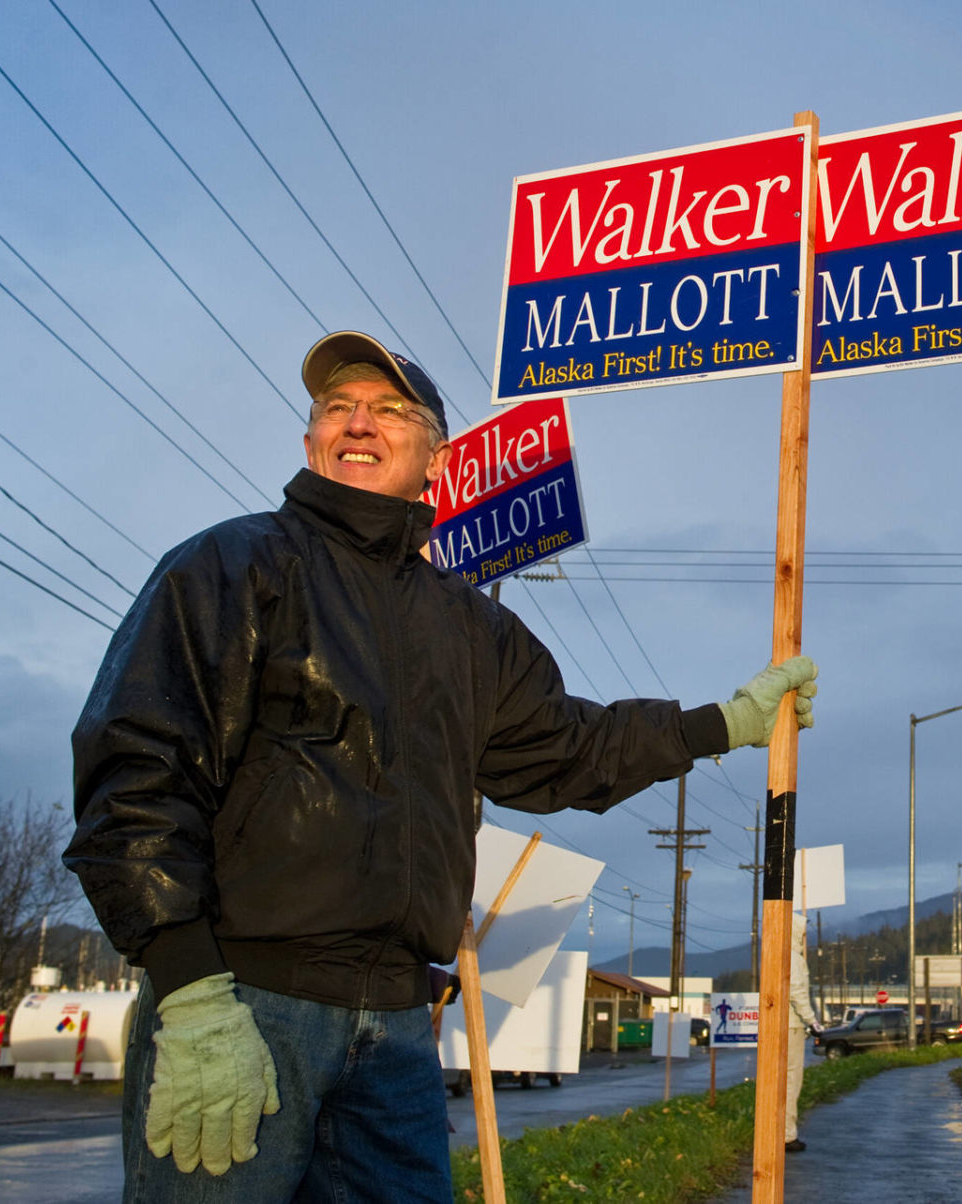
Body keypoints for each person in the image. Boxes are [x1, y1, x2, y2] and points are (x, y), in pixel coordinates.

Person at [64, 330, 819, 1202]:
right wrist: (189, 988)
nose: (358, 423)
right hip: (244, 1003)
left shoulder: (469, 629)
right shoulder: (230, 567)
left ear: (435, 453)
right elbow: (134, 775)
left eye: (389, 410)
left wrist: (723, 722)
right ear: (310, 440)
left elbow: (568, 752)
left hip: (395, 1030)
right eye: (336, 407)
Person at [783, 911, 824, 1153]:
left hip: (784, 1024)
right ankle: (787, 1134)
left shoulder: (778, 954)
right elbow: (797, 991)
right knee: (791, 1080)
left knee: (784, 1080)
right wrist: (813, 1021)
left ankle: (781, 1130)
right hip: (793, 1026)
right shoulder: (794, 958)